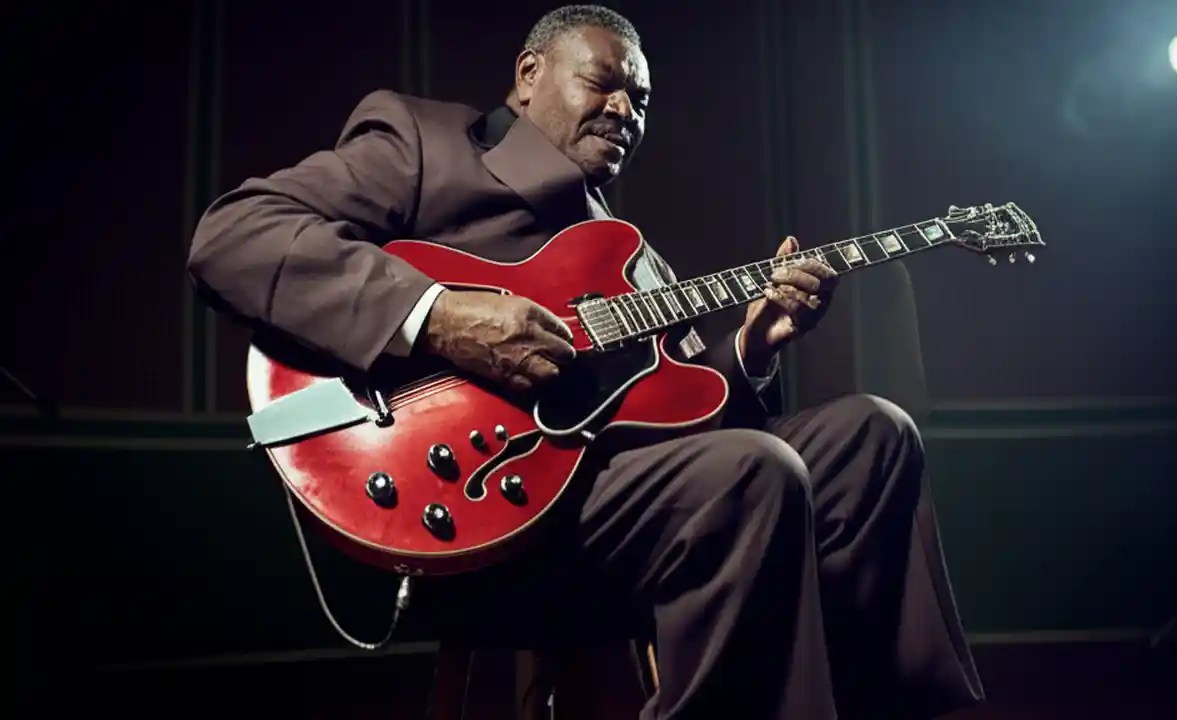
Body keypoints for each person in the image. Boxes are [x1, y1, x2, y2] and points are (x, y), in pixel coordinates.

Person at [187, 5, 983, 718]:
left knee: (875, 435)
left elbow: (692, 433)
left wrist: (753, 345)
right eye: (604, 82)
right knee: (752, 472)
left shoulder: (628, 251)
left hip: (613, 500)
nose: (623, 110)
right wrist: (435, 317)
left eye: (640, 100)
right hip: (472, 514)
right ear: (529, 75)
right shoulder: (423, 142)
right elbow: (234, 236)